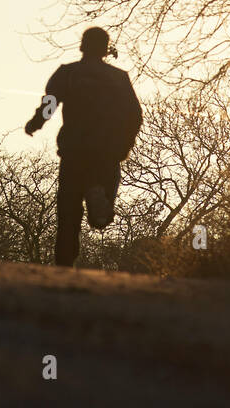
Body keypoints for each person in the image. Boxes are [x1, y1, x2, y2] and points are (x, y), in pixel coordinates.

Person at [24, 27, 143, 267]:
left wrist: (36, 122)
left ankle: (64, 265)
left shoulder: (68, 74)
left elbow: (51, 103)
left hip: (74, 150)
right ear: (106, 49)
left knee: (68, 211)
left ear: (82, 46)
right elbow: (135, 115)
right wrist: (124, 146)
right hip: (106, 153)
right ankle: (97, 192)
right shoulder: (118, 78)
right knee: (101, 217)